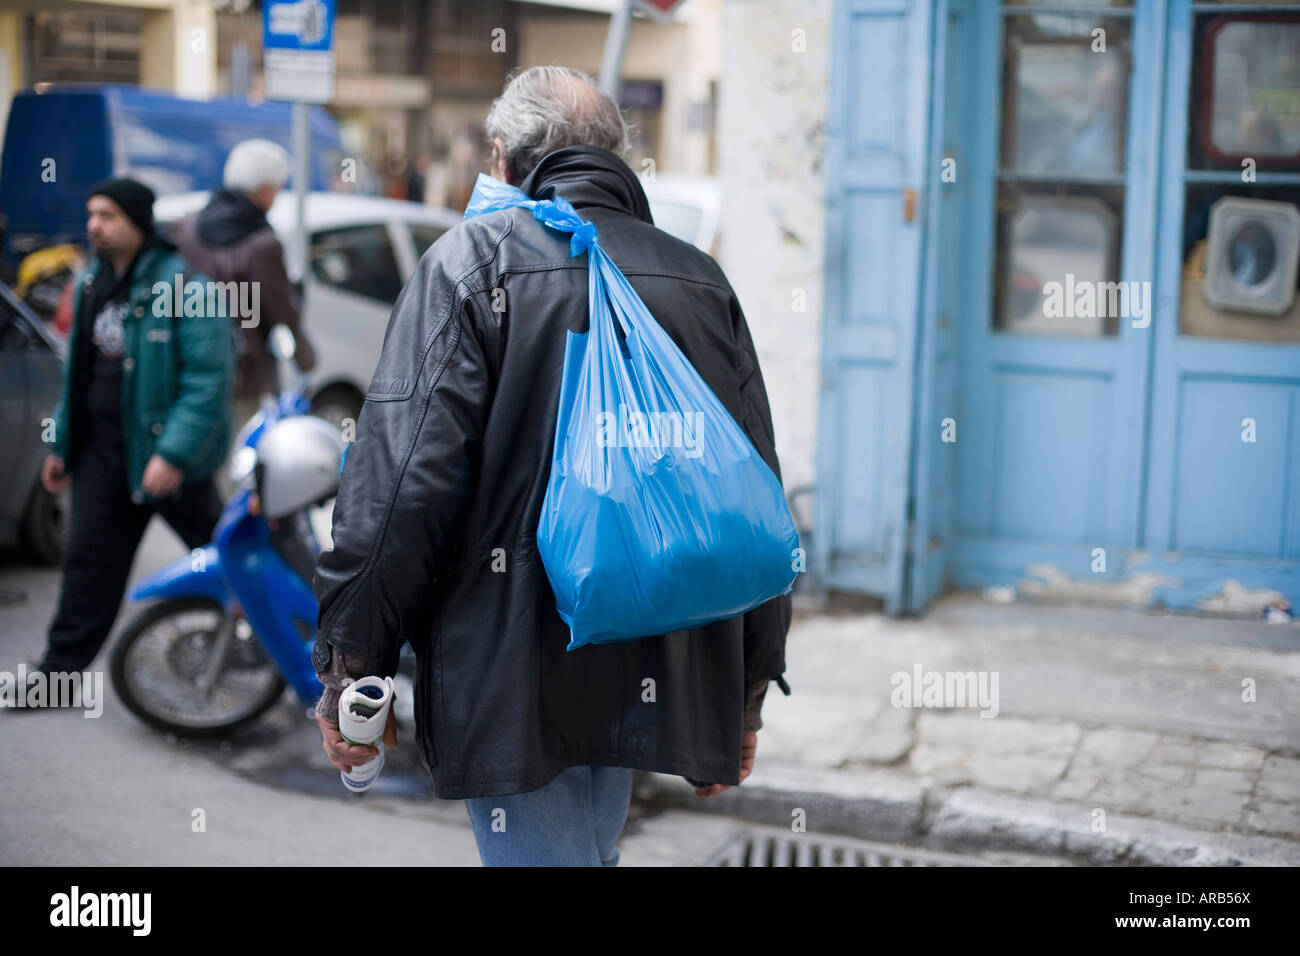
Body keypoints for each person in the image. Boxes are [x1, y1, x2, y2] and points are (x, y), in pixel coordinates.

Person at [311, 65, 792, 866]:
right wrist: (744, 690)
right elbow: (757, 501)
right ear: (617, 158)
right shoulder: (699, 279)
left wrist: (349, 668)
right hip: (664, 645)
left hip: (514, 661)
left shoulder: (472, 262)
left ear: (502, 158)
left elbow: (401, 488)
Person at [29, 177, 235, 683]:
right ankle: (57, 676)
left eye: (107, 216)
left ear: (139, 224)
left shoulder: (188, 286)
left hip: (167, 459)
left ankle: (269, 648)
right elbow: (77, 375)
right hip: (101, 456)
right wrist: (61, 443)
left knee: (225, 557)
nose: (93, 226)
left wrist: (175, 455)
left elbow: (210, 380)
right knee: (86, 567)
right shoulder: (89, 283)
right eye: (91, 215)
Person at [171, 139, 316, 430]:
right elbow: (280, 310)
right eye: (276, 189)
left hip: (183, 360)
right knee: (236, 453)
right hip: (239, 369)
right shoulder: (263, 243)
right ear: (263, 191)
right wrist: (305, 358)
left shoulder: (186, 226)